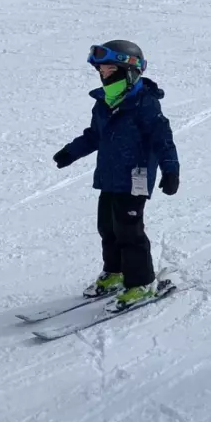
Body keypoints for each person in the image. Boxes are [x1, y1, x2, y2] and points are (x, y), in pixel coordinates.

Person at [52, 40, 180, 312]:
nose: (104, 75)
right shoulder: (104, 102)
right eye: (102, 71)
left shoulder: (145, 104)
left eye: (110, 70)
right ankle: (115, 272)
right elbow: (95, 135)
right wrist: (70, 152)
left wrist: (171, 170)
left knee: (129, 232)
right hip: (109, 178)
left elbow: (163, 140)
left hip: (135, 180)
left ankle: (142, 282)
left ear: (129, 71)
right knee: (107, 228)